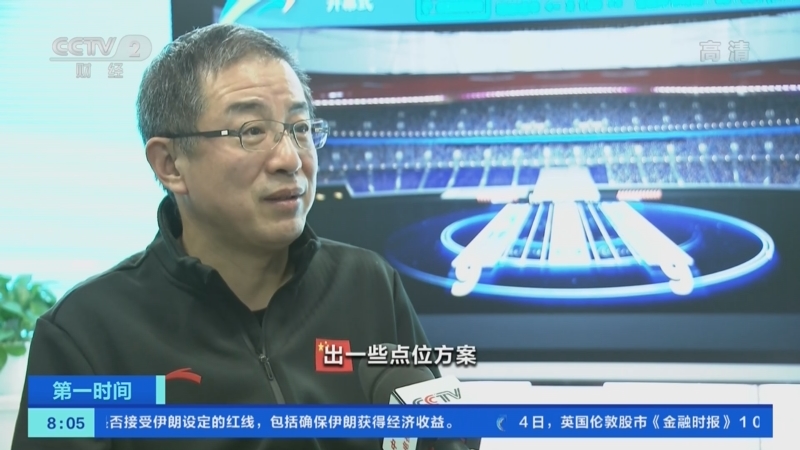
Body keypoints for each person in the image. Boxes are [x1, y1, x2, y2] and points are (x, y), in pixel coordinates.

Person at [12, 23, 438, 450]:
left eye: (300, 128)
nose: (290, 159)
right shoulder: (86, 333)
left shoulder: (368, 285)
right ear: (170, 164)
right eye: (251, 131)